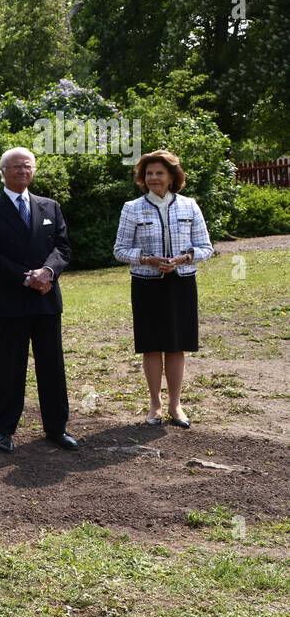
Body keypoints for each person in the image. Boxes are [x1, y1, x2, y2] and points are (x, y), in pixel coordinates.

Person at [0, 147, 78, 453]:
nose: (22, 171)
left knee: (52, 365)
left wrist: (47, 272)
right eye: (16, 166)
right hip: (10, 302)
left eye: (27, 166)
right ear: (2, 171)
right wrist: (26, 277)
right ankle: (3, 430)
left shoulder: (50, 207)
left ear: (34, 170)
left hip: (47, 299)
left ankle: (57, 428)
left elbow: (63, 248)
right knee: (9, 366)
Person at [112, 149, 213, 427]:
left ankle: (175, 405)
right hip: (147, 286)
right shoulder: (132, 208)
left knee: (177, 346)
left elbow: (206, 247)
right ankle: (155, 405)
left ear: (172, 177)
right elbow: (120, 250)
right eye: (149, 173)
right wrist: (147, 259)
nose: (153, 178)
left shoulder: (189, 206)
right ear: (143, 178)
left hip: (181, 284)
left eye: (159, 173)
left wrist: (183, 258)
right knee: (152, 346)